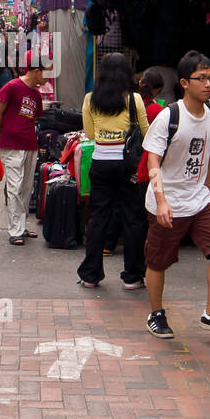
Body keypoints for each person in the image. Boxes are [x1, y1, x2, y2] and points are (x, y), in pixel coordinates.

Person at [142, 51, 210, 337]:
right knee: (157, 261)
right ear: (185, 83)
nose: (208, 84)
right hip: (167, 202)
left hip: (199, 200)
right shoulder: (169, 116)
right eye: (201, 78)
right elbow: (152, 160)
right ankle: (156, 314)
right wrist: (161, 201)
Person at [77, 53, 151, 290]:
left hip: (100, 163)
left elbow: (89, 134)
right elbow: (147, 133)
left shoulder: (90, 99)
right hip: (128, 165)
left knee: (99, 217)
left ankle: (91, 274)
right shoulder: (135, 100)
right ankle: (132, 276)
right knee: (133, 218)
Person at [0, 54, 44, 245]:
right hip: (12, 144)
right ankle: (15, 230)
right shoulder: (12, 87)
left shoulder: (36, 94)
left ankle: (21, 227)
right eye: (46, 72)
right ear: (37, 71)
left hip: (30, 144)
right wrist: (3, 134)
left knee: (26, 187)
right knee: (14, 187)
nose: (47, 78)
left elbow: (35, 118)